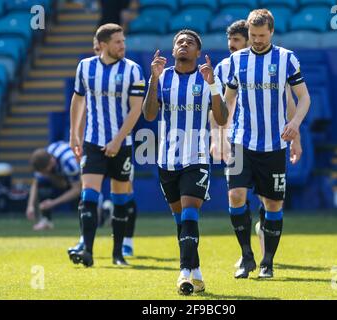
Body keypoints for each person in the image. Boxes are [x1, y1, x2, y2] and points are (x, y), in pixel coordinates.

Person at [224, 9, 310, 279]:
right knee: (236, 195)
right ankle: (246, 256)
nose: (257, 40)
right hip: (241, 141)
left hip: (274, 144)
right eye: (253, 35)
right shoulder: (237, 60)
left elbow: (302, 98)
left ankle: (268, 262)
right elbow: (228, 101)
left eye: (262, 35)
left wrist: (295, 127)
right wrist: (219, 134)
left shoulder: (286, 59)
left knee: (273, 205)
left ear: (271, 32)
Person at [142, 29, 228, 295]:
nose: (184, 45)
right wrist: (152, 81)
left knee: (191, 213)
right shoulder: (163, 77)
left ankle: (183, 273)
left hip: (197, 158)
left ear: (198, 52)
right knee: (181, 220)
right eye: (179, 42)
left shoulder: (207, 79)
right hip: (166, 159)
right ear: (173, 50)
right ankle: (197, 272)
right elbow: (148, 115)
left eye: (190, 43)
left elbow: (222, 118)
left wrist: (213, 84)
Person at [68, 23, 145, 267]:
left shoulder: (133, 69)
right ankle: (88, 251)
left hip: (122, 144)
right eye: (118, 42)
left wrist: (117, 140)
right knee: (88, 195)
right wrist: (74, 135)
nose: (123, 46)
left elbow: (136, 109)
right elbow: (78, 101)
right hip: (93, 142)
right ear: (102, 45)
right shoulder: (85, 67)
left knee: (120, 199)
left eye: (123, 41)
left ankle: (117, 254)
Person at [26, 141, 82, 231]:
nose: (44, 174)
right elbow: (36, 182)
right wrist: (30, 206)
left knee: (84, 194)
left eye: (45, 171)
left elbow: (77, 189)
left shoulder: (69, 162)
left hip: (79, 176)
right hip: (61, 175)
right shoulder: (44, 157)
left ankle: (91, 216)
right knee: (42, 182)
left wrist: (53, 203)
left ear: (51, 162)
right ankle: (46, 220)